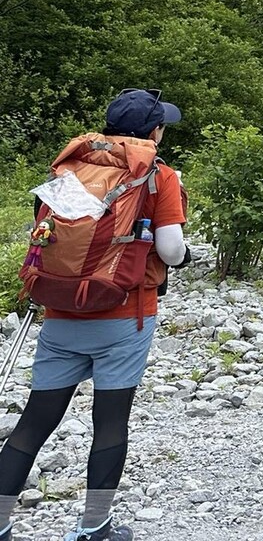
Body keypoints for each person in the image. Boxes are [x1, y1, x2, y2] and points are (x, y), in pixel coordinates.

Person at [0, 88, 191, 541]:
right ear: (154, 131)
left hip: (61, 311)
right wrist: (183, 259)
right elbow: (170, 249)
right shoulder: (160, 176)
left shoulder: (69, 169)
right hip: (125, 316)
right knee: (109, 422)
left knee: (35, 420)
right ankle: (93, 526)